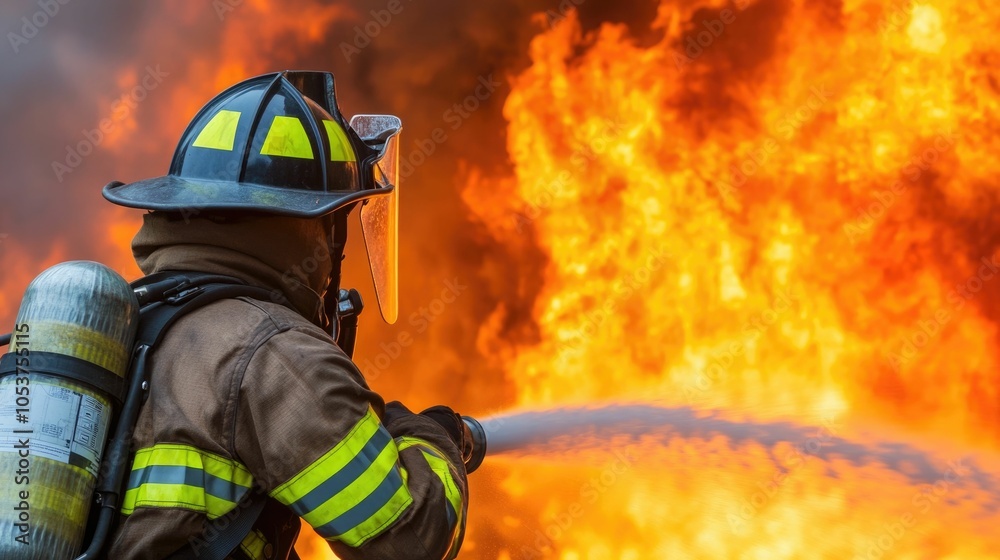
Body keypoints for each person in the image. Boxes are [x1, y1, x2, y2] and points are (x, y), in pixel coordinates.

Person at [101, 71, 470, 560]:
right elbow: (408, 541)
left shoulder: (126, 321)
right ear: (315, 228)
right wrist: (431, 437)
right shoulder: (273, 353)